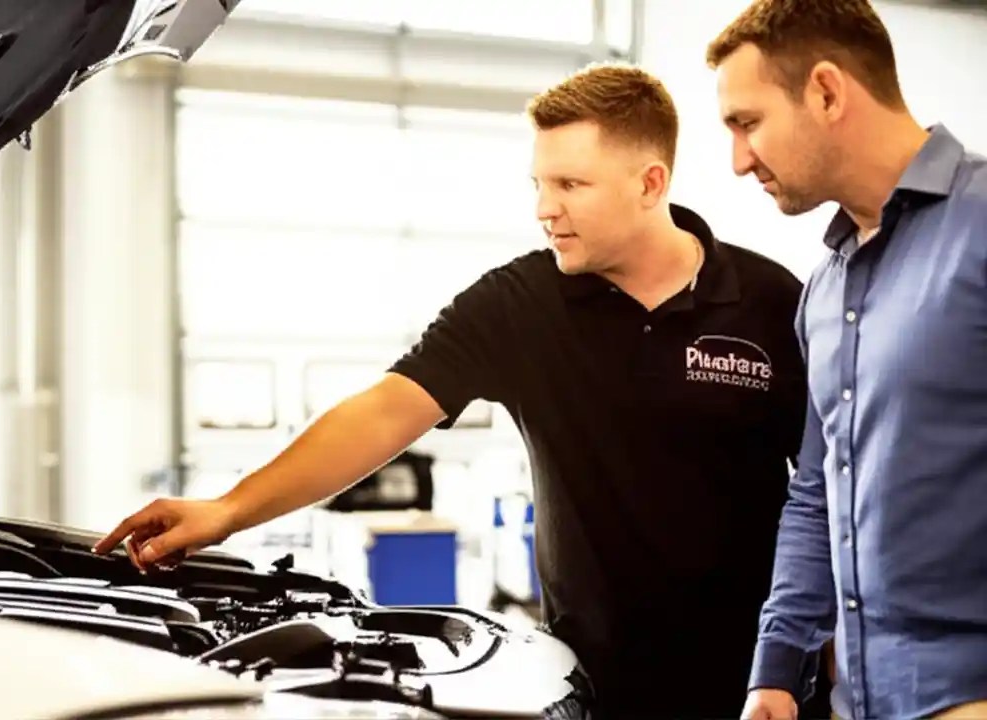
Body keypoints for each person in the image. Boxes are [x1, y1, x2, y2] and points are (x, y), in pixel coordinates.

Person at [94, 63, 809, 719]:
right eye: (539, 182)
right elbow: (383, 413)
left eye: (570, 186)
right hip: (594, 688)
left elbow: (830, 490)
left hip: (759, 686)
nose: (544, 208)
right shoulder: (519, 306)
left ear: (650, 183)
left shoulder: (770, 302)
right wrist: (229, 509)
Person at [706, 2, 987, 719]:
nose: (739, 160)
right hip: (855, 700)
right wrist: (776, 664)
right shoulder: (825, 288)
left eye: (748, 123)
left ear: (827, 92)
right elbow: (818, 492)